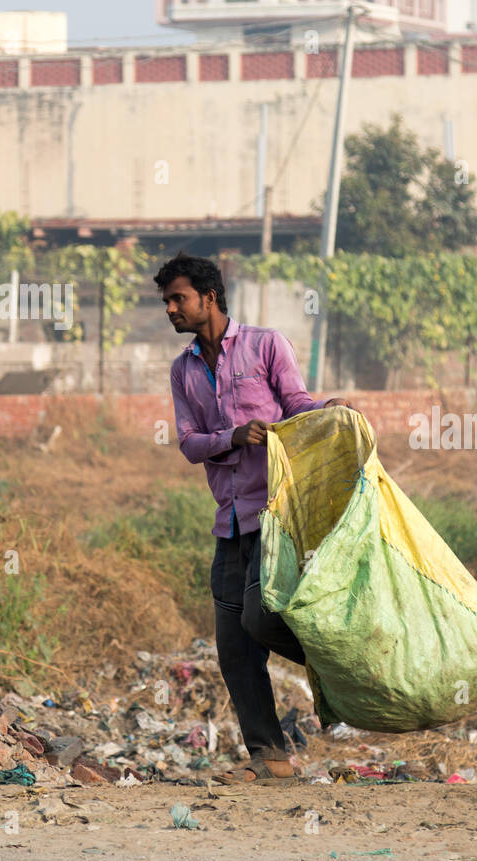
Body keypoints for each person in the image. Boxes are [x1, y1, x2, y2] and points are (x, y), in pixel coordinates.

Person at [159, 252, 353, 785]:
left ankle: (341, 661)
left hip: (276, 516)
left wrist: (328, 410)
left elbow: (296, 405)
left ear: (209, 298)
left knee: (259, 619)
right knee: (233, 648)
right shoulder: (183, 370)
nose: (171, 309)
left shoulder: (266, 344)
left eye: (179, 298)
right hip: (230, 522)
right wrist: (231, 436)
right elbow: (189, 444)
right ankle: (270, 759)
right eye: (167, 302)